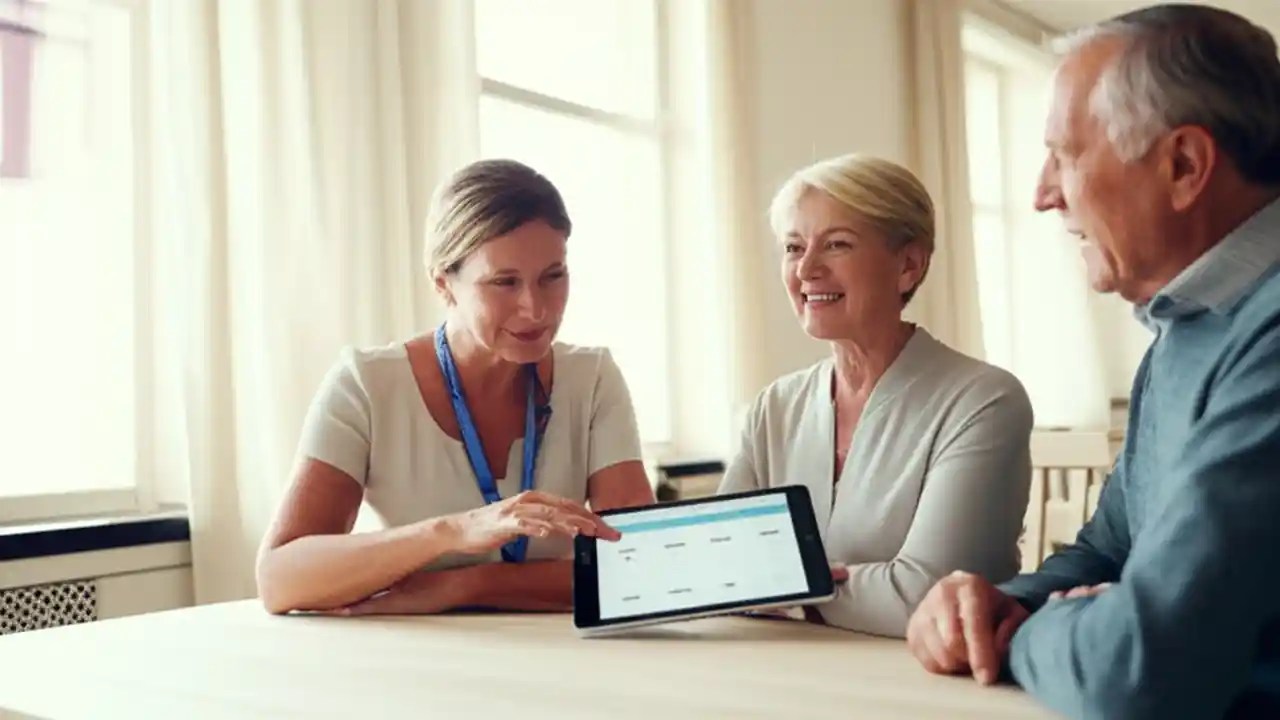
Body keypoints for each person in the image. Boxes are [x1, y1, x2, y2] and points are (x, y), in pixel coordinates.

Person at [905, 5, 1280, 718]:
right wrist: (991, 607)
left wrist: (1033, 633)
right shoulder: (1183, 328)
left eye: (1066, 154)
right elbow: (1107, 551)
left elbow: (1144, 667)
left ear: (1184, 165)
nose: (1044, 194)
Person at [256, 159, 656, 615]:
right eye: (504, 282)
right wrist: (456, 531)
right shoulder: (365, 386)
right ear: (443, 284)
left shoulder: (593, 379)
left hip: (559, 657)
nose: (535, 309)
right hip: (423, 665)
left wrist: (464, 585)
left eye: (553, 276)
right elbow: (280, 580)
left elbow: (636, 560)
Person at [718, 153, 1033, 638]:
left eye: (837, 244)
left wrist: (781, 592)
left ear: (908, 265)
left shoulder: (984, 400)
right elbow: (717, 571)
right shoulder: (773, 408)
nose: (806, 270)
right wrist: (834, 591)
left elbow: (925, 598)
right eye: (793, 247)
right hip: (784, 671)